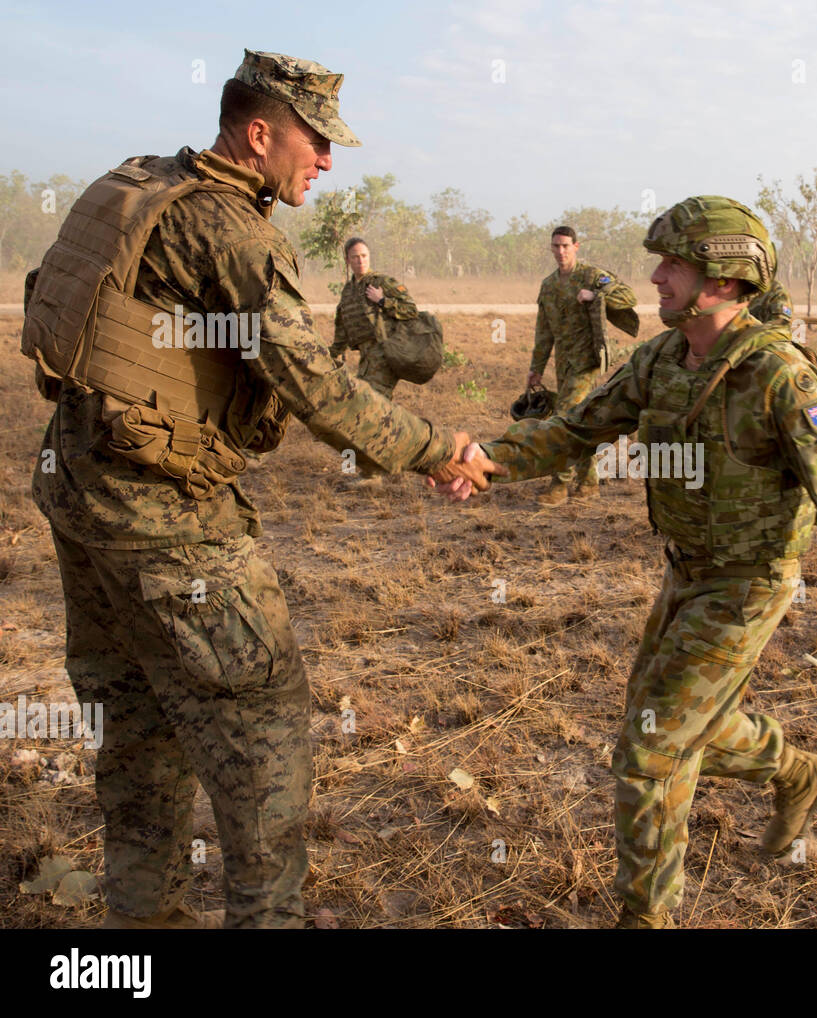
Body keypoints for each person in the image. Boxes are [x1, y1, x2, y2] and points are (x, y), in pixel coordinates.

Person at [23, 49, 491, 929]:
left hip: (81, 502)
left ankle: (140, 934)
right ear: (260, 132)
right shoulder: (232, 231)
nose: (326, 161)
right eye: (317, 143)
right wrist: (438, 446)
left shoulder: (140, 185)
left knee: (137, 739)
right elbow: (312, 383)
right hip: (170, 525)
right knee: (265, 743)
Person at [444, 196, 817, 928]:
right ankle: (801, 773)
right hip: (686, 573)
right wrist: (488, 458)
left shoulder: (779, 373)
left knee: (650, 750)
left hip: (748, 586)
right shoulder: (660, 357)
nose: (655, 276)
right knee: (683, 723)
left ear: (723, 276)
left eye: (673, 264)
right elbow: (576, 429)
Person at [526, 226, 637, 506]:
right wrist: (536, 368)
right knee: (580, 420)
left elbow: (628, 297)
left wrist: (596, 296)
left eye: (565, 246)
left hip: (586, 364)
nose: (560, 251)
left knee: (563, 419)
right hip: (563, 365)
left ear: (576, 246)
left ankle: (559, 484)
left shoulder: (591, 276)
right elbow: (544, 332)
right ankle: (588, 482)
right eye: (556, 246)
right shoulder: (549, 285)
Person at [329, 237, 417, 401]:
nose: (360, 260)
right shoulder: (348, 290)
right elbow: (342, 328)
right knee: (367, 405)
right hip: (366, 360)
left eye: (364, 256)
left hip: (384, 356)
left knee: (372, 404)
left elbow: (411, 310)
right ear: (347, 260)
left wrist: (382, 301)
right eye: (355, 257)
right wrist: (329, 355)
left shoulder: (381, 282)